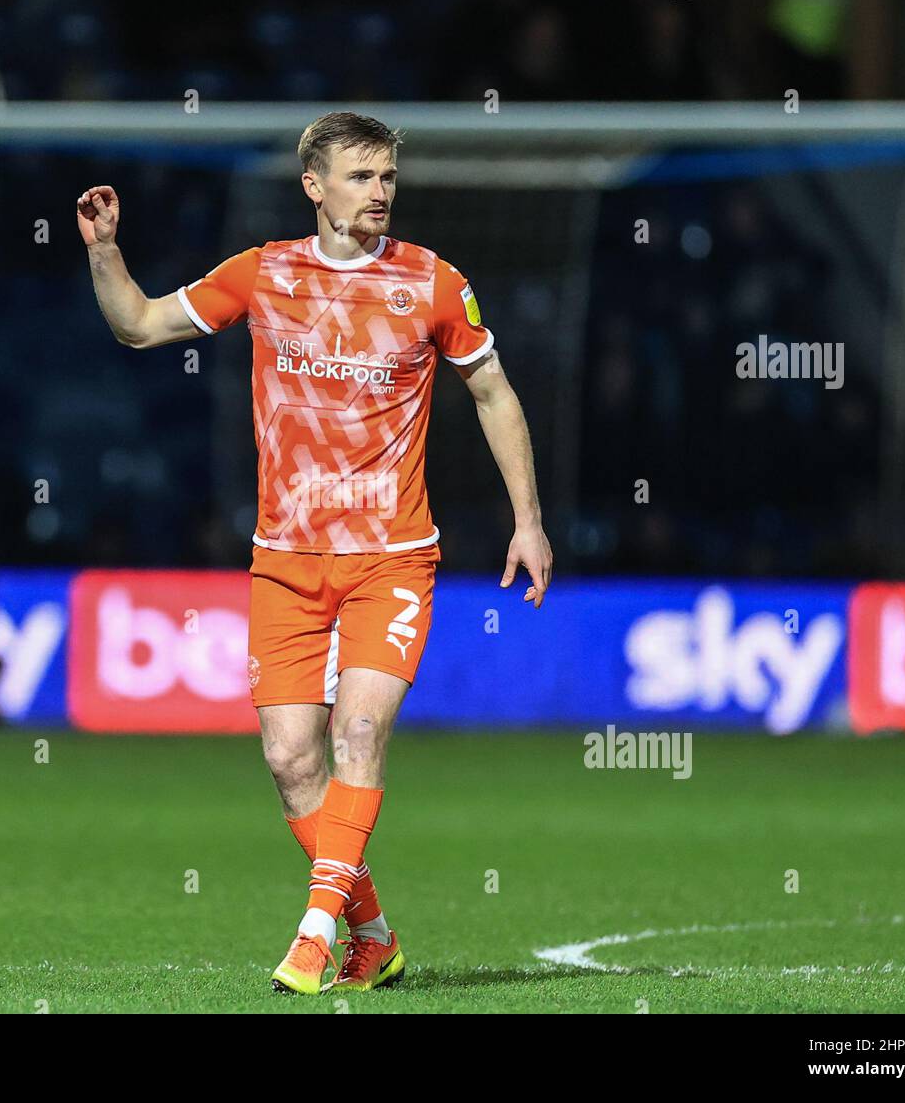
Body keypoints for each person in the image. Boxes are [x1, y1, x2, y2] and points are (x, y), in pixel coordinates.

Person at [78, 111, 552, 995]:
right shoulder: (263, 274)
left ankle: (312, 933)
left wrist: (527, 519)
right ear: (315, 186)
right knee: (293, 760)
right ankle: (372, 936)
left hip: (391, 556)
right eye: (362, 177)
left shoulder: (433, 283)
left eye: (387, 178)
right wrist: (106, 251)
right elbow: (139, 326)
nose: (380, 193)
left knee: (358, 730)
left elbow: (492, 392)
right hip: (286, 561)